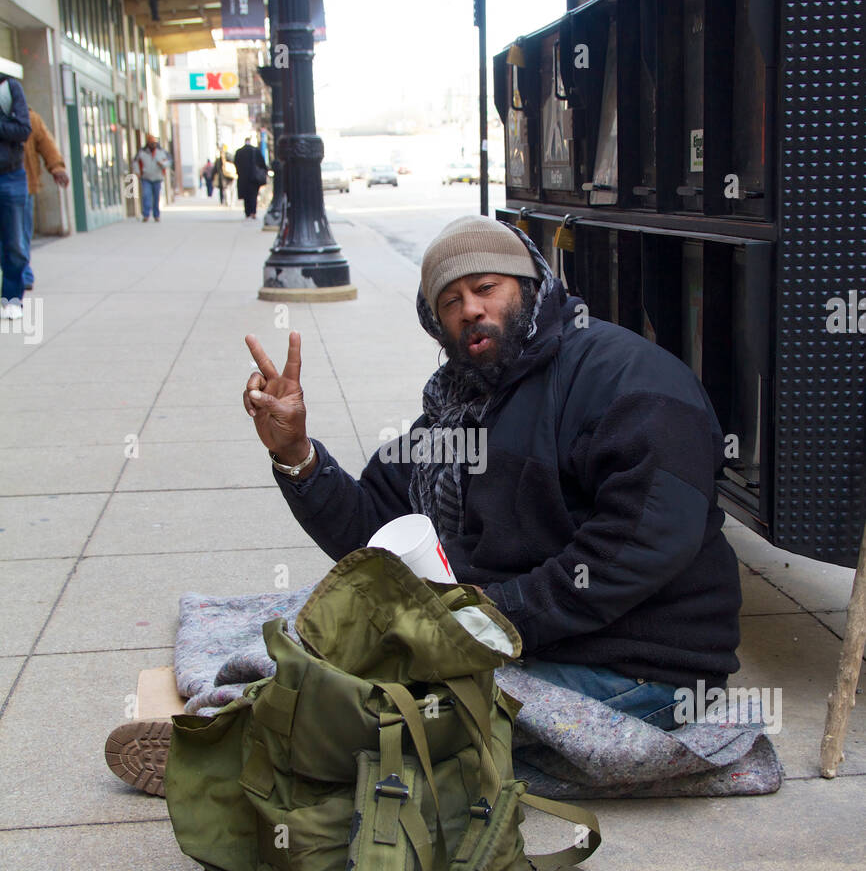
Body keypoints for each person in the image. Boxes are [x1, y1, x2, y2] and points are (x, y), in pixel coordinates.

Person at [243, 215, 742, 729]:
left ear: (529, 287)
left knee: (382, 726)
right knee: (323, 684)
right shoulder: (457, 405)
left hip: (637, 665)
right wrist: (297, 454)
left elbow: (642, 540)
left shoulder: (626, 376)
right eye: (450, 302)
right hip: (517, 643)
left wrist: (494, 614)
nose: (470, 310)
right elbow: (373, 539)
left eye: (485, 288)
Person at [21, 108, 70, 291]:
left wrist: (57, 167)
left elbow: (46, 144)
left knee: (20, 234)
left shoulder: (29, 117)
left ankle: (23, 274)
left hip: (23, 186)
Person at [0, 71, 32, 321]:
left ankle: (11, 299)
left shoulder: (8, 88)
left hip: (10, 176)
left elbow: (23, 129)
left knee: (15, 244)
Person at [133, 133, 170, 221]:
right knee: (146, 195)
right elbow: (135, 162)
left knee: (156, 197)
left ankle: (156, 215)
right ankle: (146, 214)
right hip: (146, 177)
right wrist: (138, 172)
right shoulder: (142, 152)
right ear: (148, 142)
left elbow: (168, 162)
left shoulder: (161, 152)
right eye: (150, 142)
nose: (152, 144)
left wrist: (162, 164)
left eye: (154, 142)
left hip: (157, 177)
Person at [233, 135, 268, 220]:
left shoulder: (239, 152)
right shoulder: (256, 151)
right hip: (254, 177)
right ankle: (253, 212)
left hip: (243, 177)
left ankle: (247, 212)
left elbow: (236, 163)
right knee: (253, 195)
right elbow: (262, 164)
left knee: (246, 196)